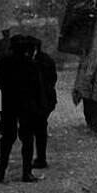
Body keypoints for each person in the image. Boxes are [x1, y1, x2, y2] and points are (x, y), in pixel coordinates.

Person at [0, 35, 43, 183]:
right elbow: (38, 88)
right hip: (26, 106)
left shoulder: (4, 62)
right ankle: (26, 173)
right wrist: (40, 106)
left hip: (8, 105)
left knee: (7, 138)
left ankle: (1, 170)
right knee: (27, 139)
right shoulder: (31, 64)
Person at [29, 36, 57, 170]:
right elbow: (53, 79)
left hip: (39, 100)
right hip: (48, 99)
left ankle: (40, 159)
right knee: (40, 128)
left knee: (36, 129)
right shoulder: (47, 59)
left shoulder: (33, 62)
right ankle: (41, 157)